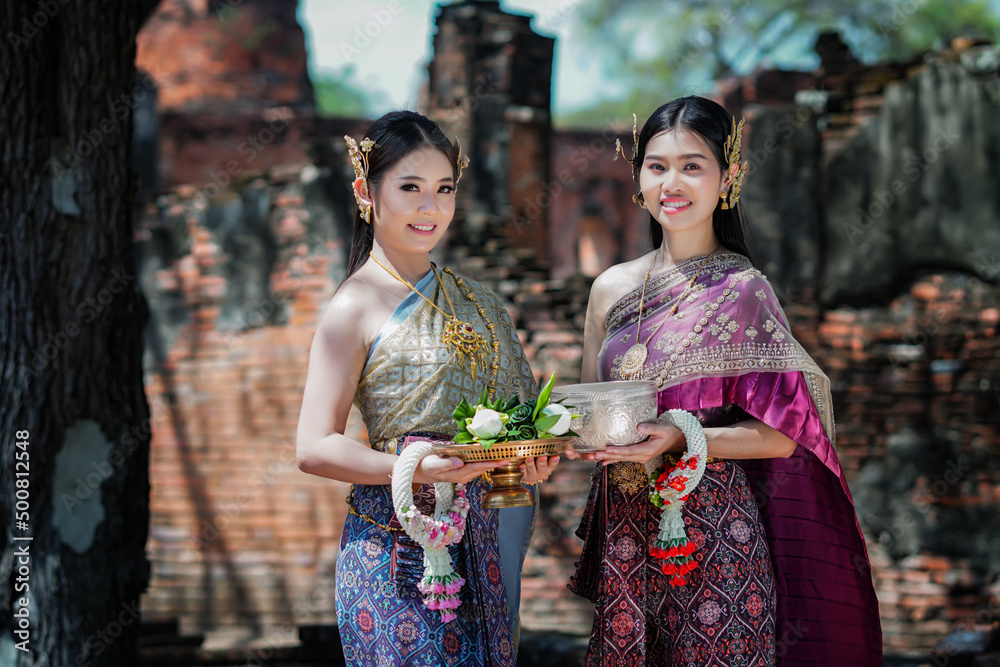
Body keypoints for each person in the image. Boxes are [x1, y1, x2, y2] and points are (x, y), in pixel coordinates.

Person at [566, 96, 882, 666]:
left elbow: (782, 435)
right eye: (657, 166)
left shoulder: (744, 291)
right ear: (638, 177)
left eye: (693, 165)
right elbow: (592, 409)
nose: (672, 182)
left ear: (727, 178)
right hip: (624, 528)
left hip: (713, 536)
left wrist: (678, 435)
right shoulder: (609, 289)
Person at [295, 110, 559, 666]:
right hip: (395, 550)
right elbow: (314, 446)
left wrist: (530, 460)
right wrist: (414, 468)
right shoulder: (353, 307)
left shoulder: (482, 303)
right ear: (366, 192)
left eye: (443, 189)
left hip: (482, 545)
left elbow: (515, 427)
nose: (429, 206)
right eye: (409, 187)